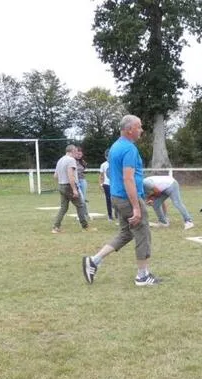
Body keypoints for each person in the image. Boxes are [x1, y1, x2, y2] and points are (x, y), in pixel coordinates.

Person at [82, 115, 160, 286]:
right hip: (128, 198)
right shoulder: (129, 149)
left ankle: (94, 261)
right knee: (143, 233)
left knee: (126, 233)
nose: (141, 130)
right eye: (139, 127)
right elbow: (128, 178)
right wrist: (136, 207)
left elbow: (113, 174)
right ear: (130, 129)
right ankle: (142, 276)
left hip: (116, 197)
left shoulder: (115, 147)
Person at [52, 144, 90, 233]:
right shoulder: (71, 160)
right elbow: (71, 175)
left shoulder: (60, 160)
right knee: (80, 205)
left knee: (63, 208)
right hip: (69, 186)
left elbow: (55, 176)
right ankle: (85, 226)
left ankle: (55, 227)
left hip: (61, 185)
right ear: (72, 151)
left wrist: (62, 182)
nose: (77, 154)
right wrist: (74, 189)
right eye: (76, 152)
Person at [99, 149, 113, 221]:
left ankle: (117, 213)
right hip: (107, 184)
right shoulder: (103, 165)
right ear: (105, 157)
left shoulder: (115, 163)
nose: (109, 158)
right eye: (107, 156)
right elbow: (101, 175)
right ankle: (110, 215)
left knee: (116, 199)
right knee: (108, 199)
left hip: (115, 184)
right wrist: (101, 184)